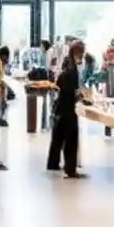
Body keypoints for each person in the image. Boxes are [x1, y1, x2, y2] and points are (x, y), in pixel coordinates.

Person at [47, 41, 86, 179]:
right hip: (68, 108)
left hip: (60, 107)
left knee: (58, 136)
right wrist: (79, 96)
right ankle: (70, 169)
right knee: (71, 138)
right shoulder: (72, 69)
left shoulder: (66, 65)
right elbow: (71, 89)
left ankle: (52, 163)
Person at [101, 39, 114, 137]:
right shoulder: (106, 56)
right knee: (108, 102)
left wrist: (107, 62)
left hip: (113, 81)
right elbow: (103, 67)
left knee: (113, 102)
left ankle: (113, 126)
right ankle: (108, 127)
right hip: (108, 81)